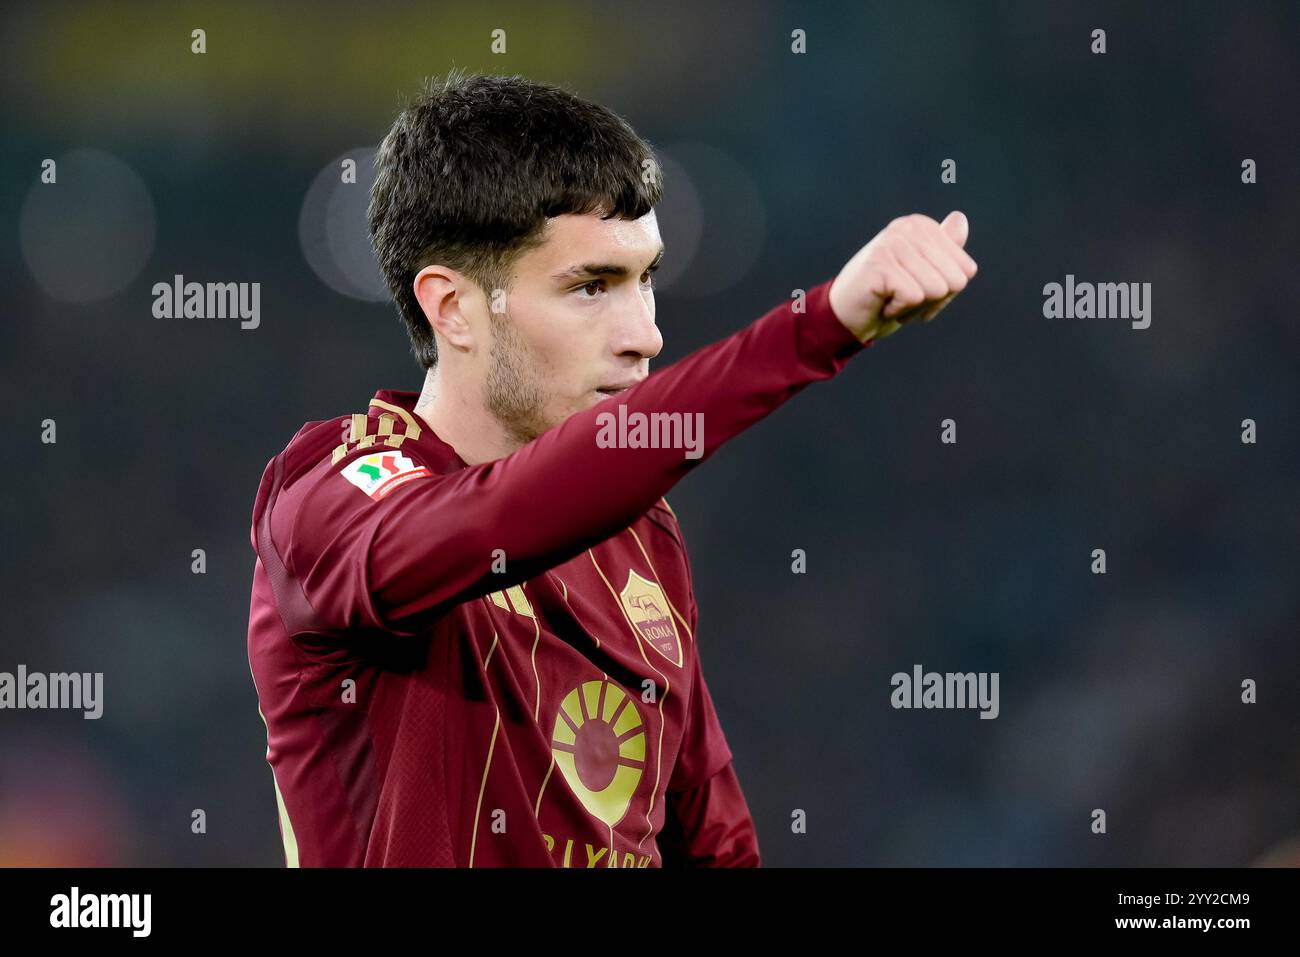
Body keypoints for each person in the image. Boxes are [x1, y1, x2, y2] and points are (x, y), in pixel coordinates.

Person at [246, 69, 977, 867]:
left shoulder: (640, 536)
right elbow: (493, 517)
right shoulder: (326, 497)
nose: (645, 334)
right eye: (591, 287)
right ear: (452, 306)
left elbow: (715, 839)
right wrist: (817, 327)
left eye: (646, 279)